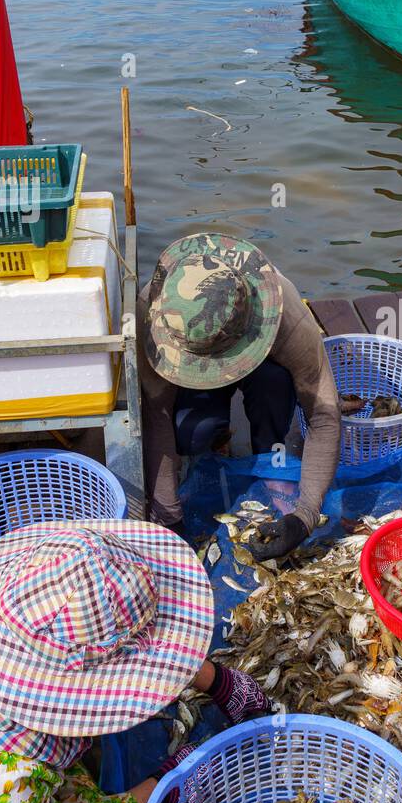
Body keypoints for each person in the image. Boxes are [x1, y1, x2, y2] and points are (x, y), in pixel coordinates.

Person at [0, 520, 269, 803]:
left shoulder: (23, 604)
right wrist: (163, 784)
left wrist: (215, 680)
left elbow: (140, 643)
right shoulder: (11, 784)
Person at [139, 232, 340, 562]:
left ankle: (270, 459)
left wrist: (304, 517)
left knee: (274, 383)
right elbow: (155, 416)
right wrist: (170, 517)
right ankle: (216, 433)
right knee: (192, 432)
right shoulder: (154, 315)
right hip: (195, 374)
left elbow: (323, 412)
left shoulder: (285, 314)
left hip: (262, 367)